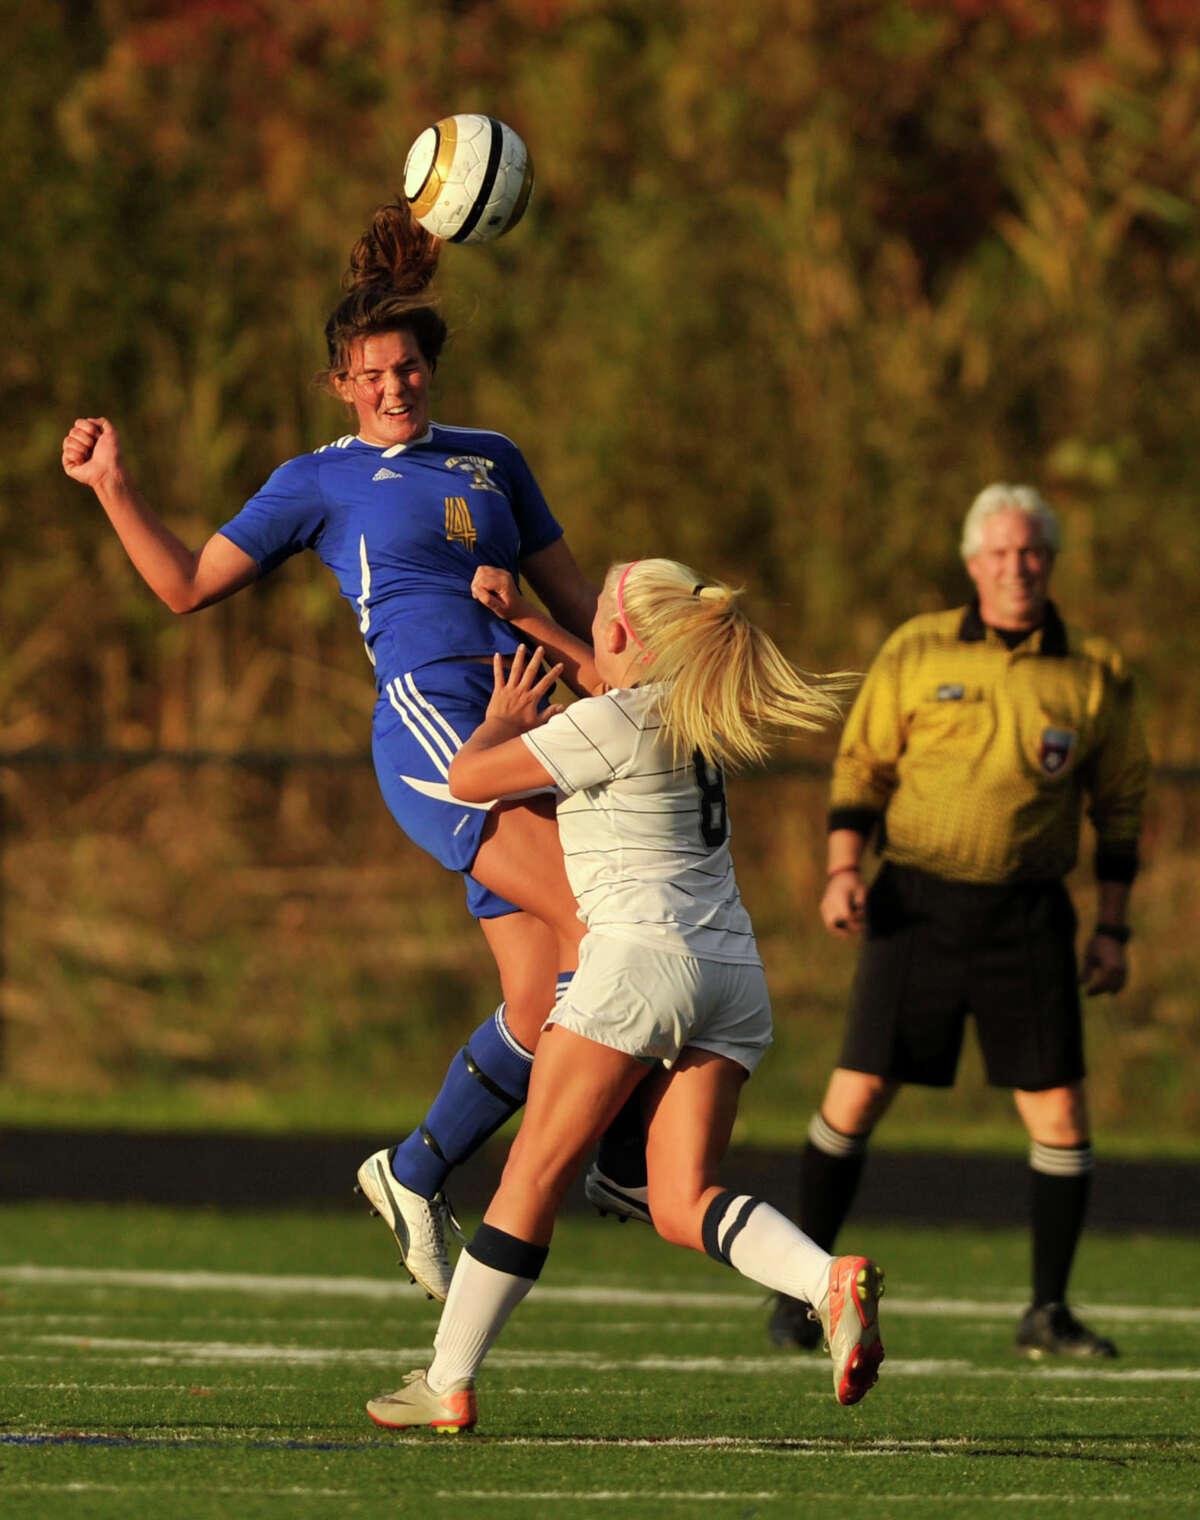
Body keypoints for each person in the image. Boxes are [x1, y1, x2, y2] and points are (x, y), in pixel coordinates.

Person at [60, 201, 611, 1302]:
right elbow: (183, 588)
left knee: (544, 1003)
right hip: (433, 730)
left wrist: (653, 666)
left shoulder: (496, 460)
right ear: (341, 388)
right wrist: (113, 486)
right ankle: (633, 1167)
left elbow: (585, 609)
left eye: (408, 368)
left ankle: (413, 1170)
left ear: (429, 368)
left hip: (530, 723)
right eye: (373, 375)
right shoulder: (315, 480)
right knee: (605, 930)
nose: (395, 387)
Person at [363, 557, 886, 1433]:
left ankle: (446, 1382)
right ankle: (823, 1281)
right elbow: (609, 675)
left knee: (529, 1177)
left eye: (598, 608)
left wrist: (496, 724)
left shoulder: (607, 720)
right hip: (733, 980)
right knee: (682, 1202)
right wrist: (532, 620)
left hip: (639, 967)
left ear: (621, 635)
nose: (589, 619)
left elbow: (468, 781)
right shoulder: (694, 716)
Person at [766, 484, 1149, 1360]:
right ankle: (800, 1294)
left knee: (1059, 1113)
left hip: (1028, 917)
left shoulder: (1093, 670)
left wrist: (1113, 926)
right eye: (1001, 553)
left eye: (1033, 552)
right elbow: (861, 766)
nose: (1018, 567)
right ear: (973, 562)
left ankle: (1047, 1312)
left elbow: (1121, 804)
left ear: (1050, 561)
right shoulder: (918, 646)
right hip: (916, 907)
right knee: (855, 1095)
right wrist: (839, 872)